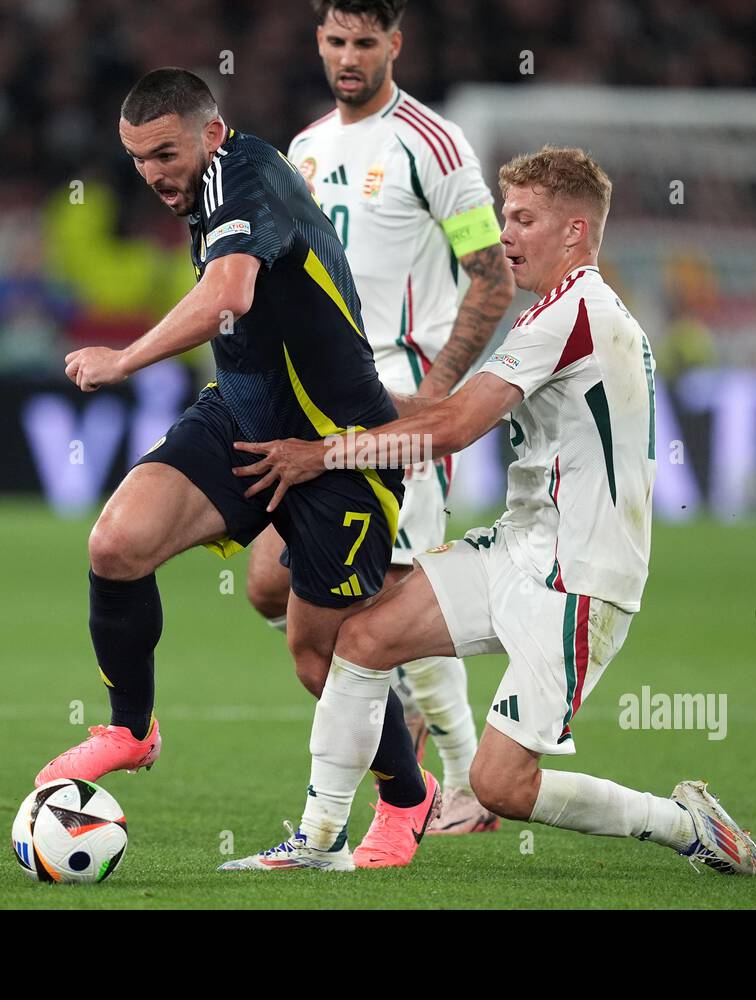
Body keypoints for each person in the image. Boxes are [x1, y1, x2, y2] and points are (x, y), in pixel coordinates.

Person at [220, 147, 756, 876]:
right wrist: (323, 414)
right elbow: (444, 410)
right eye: (505, 216)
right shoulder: (555, 312)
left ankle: (682, 823)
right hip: (519, 549)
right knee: (362, 638)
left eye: (523, 219)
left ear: (575, 231)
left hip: (578, 580)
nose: (505, 234)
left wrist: (320, 455)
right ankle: (320, 840)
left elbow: (450, 431)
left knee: (500, 785)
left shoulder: (577, 312)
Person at [37, 68, 440, 867]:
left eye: (166, 152)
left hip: (340, 449)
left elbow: (229, 296)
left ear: (212, 134)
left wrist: (126, 360)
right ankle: (131, 728)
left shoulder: (248, 176)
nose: (154, 174)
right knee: (116, 545)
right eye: (139, 159)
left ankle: (406, 796)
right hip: (246, 422)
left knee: (320, 656)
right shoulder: (205, 191)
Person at [244, 0, 514, 838]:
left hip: (394, 406)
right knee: (267, 584)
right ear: (318, 42)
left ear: (395, 43)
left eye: (366, 41)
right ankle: (438, 765)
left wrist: (433, 400)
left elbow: (492, 275)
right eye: (335, 40)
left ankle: (462, 786)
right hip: (319, 408)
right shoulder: (306, 147)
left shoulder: (434, 145)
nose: (349, 56)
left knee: (392, 601)